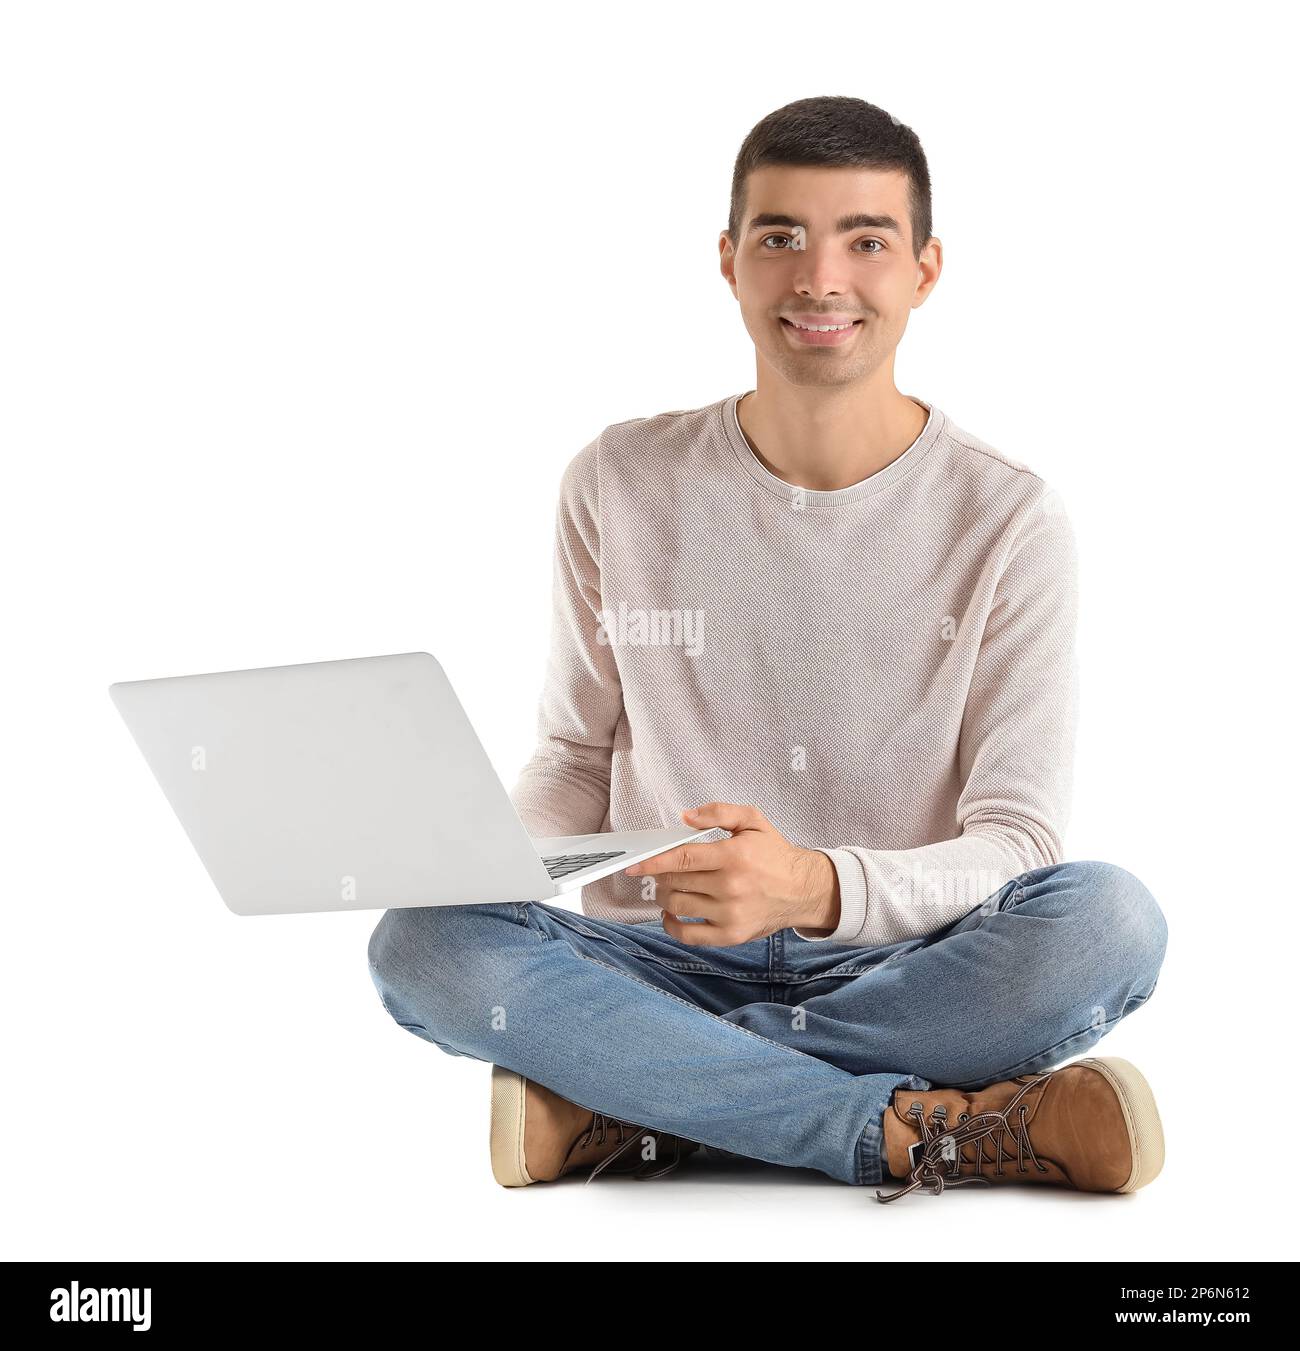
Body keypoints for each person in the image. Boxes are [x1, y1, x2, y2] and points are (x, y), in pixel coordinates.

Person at [367, 95, 1168, 1203]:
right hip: (653, 960)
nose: (818, 278)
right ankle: (902, 1128)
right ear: (730, 262)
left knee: (1104, 923)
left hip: (903, 965)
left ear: (925, 270)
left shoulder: (1011, 518)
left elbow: (1018, 842)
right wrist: (481, 856)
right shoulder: (619, 476)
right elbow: (571, 752)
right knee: (424, 943)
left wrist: (809, 885)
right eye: (781, 237)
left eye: (865, 241)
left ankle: (637, 1097)